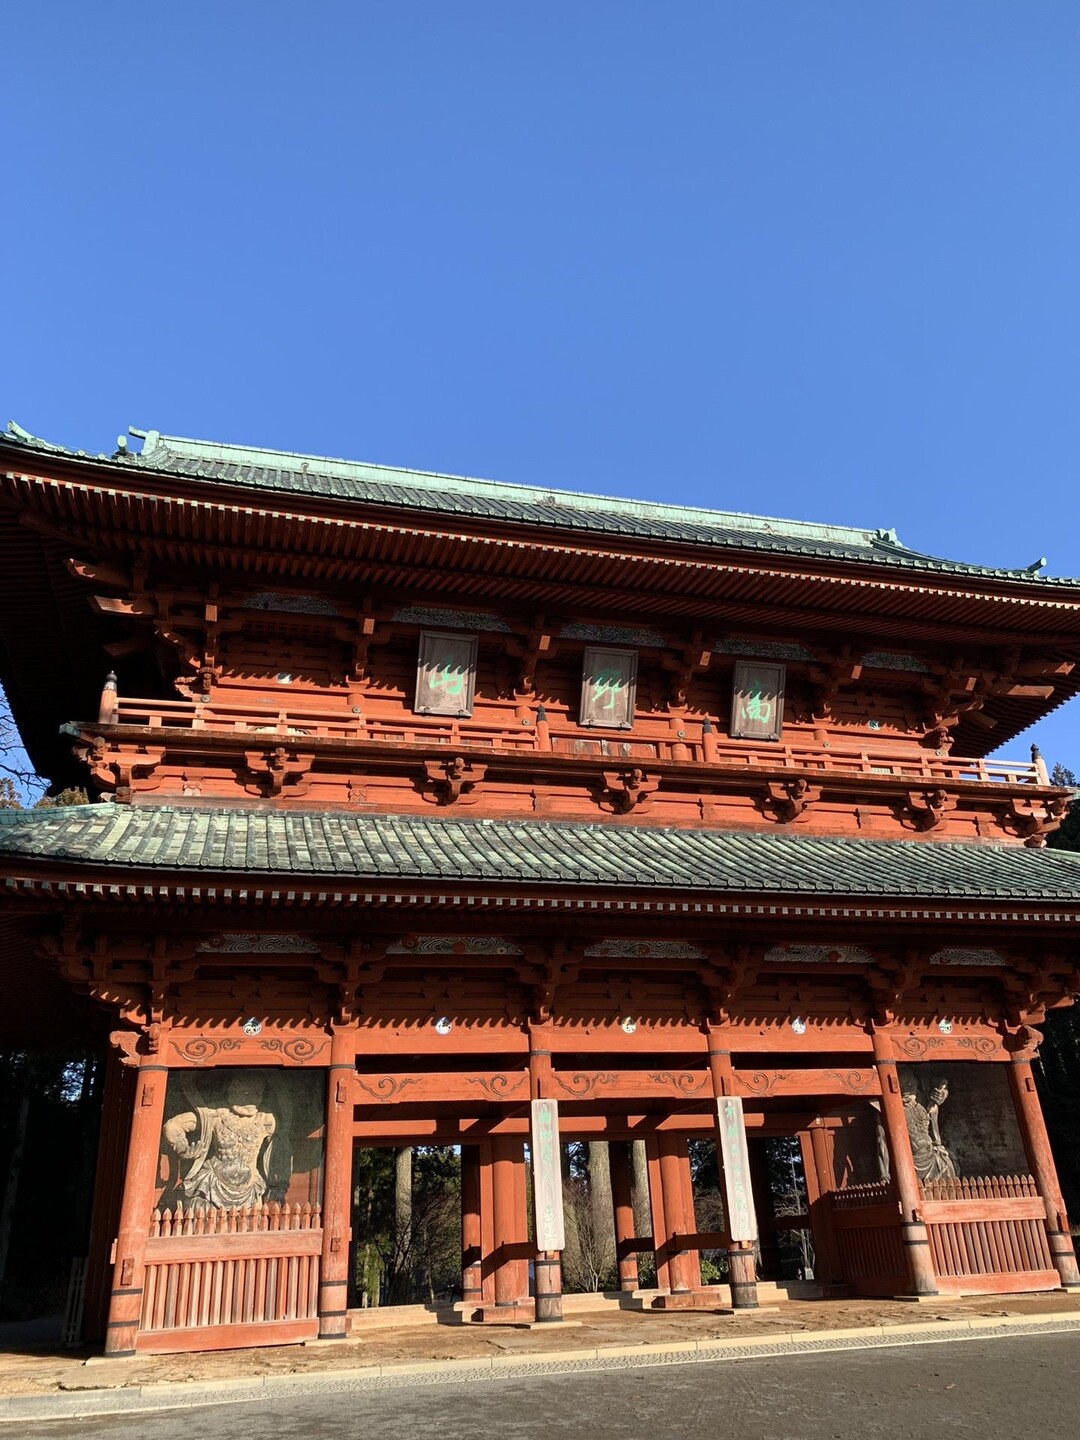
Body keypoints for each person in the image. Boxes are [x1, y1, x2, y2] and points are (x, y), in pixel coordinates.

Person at [163, 1073, 276, 1210]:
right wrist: (183, 1148)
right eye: (246, 1093)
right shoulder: (215, 1114)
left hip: (249, 1186)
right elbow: (173, 1125)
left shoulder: (265, 1119)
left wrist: (278, 1184)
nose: (253, 1099)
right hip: (211, 1184)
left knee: (251, 1224)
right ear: (231, 1090)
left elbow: (279, 1151)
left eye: (258, 1093)